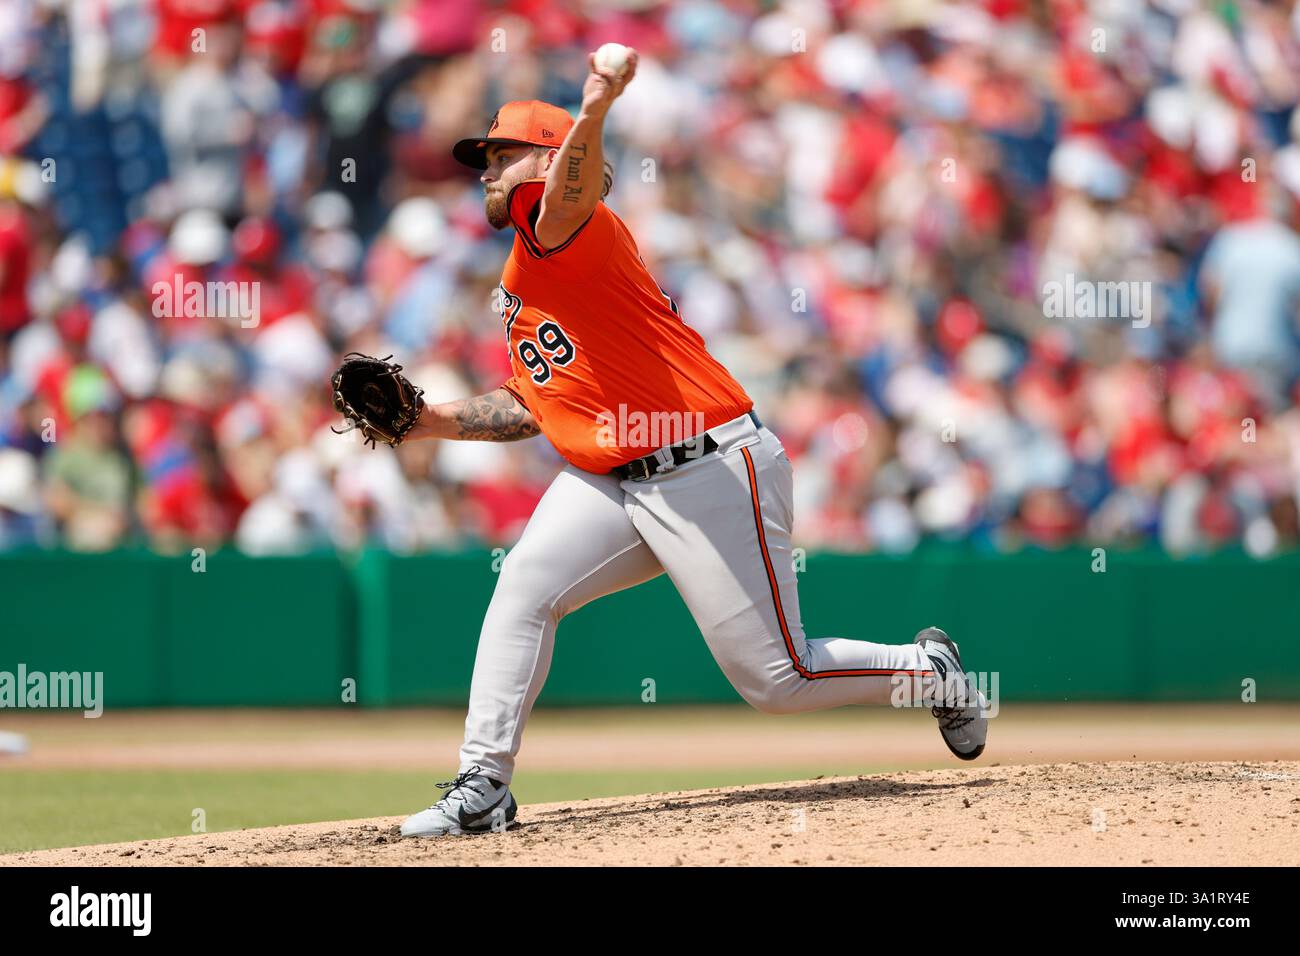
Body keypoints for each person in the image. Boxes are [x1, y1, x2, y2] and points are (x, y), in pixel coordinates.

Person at [392, 50, 989, 837]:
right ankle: (484, 784)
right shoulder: (527, 271)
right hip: (614, 475)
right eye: (484, 158)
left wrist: (597, 105)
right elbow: (535, 402)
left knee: (779, 679)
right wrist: (427, 421)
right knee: (523, 590)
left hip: (709, 461)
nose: (486, 171)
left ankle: (933, 672)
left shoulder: (569, 227)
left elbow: (570, 182)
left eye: (502, 156)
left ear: (545, 162)